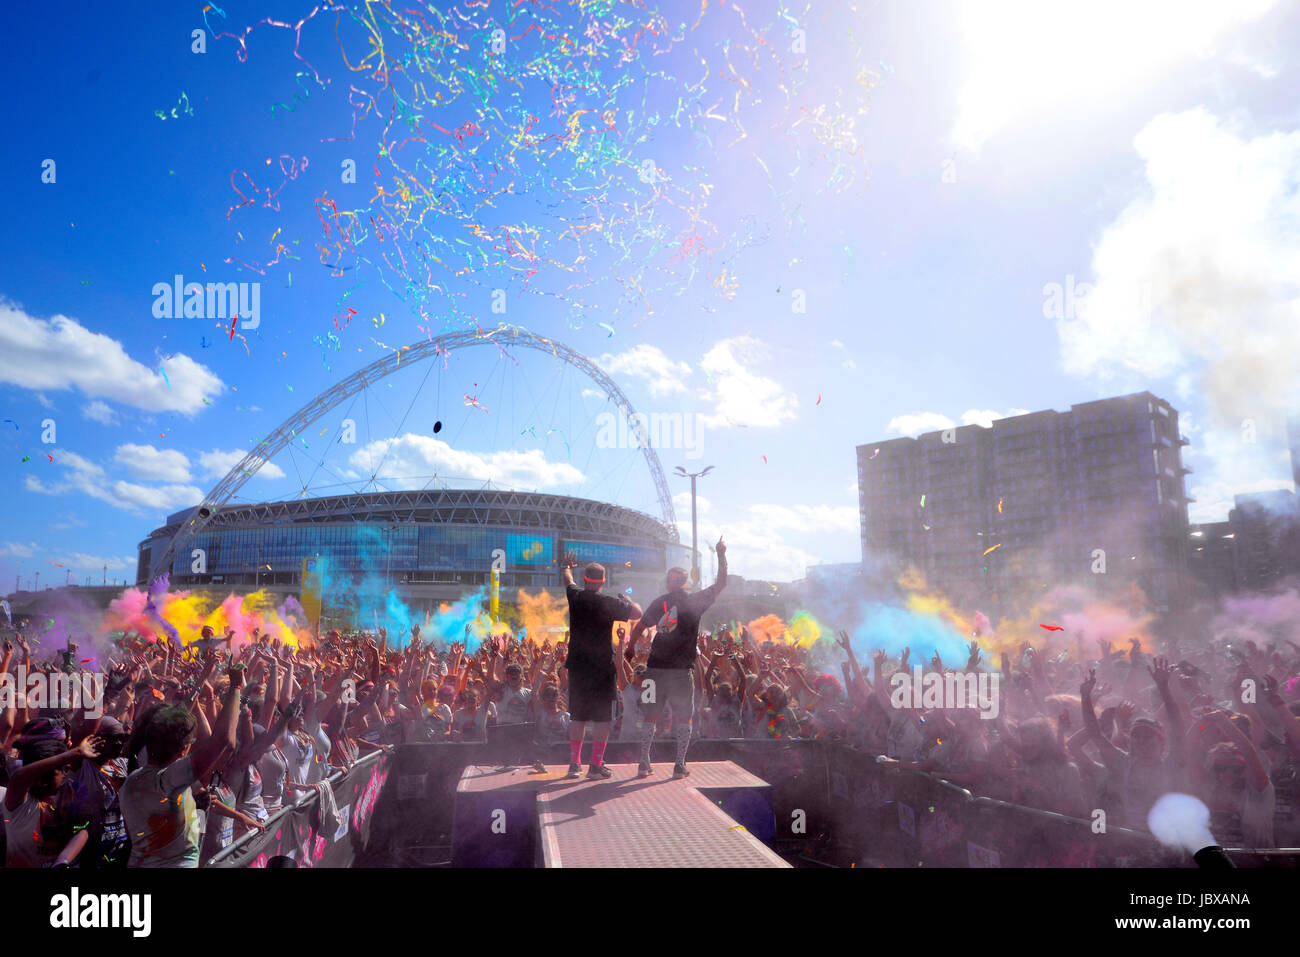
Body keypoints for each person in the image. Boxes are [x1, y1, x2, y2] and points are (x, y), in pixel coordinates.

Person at [118, 663, 242, 868]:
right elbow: (224, 741)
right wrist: (236, 687)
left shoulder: (131, 781)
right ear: (182, 751)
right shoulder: (169, 779)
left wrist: (190, 804)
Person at [628, 536, 727, 778]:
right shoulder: (695, 601)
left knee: (650, 714)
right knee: (685, 716)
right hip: (682, 673)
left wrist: (630, 649)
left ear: (668, 583)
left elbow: (640, 626)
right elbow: (722, 583)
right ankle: (679, 764)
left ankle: (643, 762)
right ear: (684, 583)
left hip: (654, 670)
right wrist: (721, 554)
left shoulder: (658, 602)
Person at [561, 554, 642, 778]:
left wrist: (567, 566)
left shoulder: (575, 596)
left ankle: (574, 763)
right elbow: (637, 613)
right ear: (603, 582)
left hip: (578, 665)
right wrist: (626, 600)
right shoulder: (609, 603)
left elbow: (567, 579)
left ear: (585, 579)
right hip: (601, 667)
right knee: (603, 718)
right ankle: (595, 765)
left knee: (577, 716)